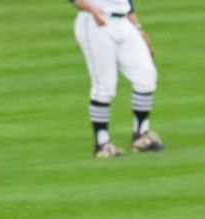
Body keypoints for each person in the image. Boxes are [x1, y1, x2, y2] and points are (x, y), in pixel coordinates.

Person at [69, 0, 164, 158]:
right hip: (96, 21)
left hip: (124, 22)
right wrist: (92, 9)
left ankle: (141, 135)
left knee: (146, 76)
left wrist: (138, 28)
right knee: (104, 86)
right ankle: (102, 143)